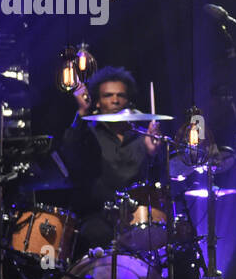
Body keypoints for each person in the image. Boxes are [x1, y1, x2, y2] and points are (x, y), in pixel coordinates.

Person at [60, 66, 165, 252]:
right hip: (98, 217)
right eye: (108, 95)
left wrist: (153, 154)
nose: (115, 100)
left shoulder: (142, 137)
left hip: (137, 217)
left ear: (128, 100)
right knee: (94, 234)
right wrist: (82, 111)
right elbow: (69, 151)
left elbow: (158, 181)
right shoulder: (88, 134)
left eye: (120, 95)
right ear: (97, 102)